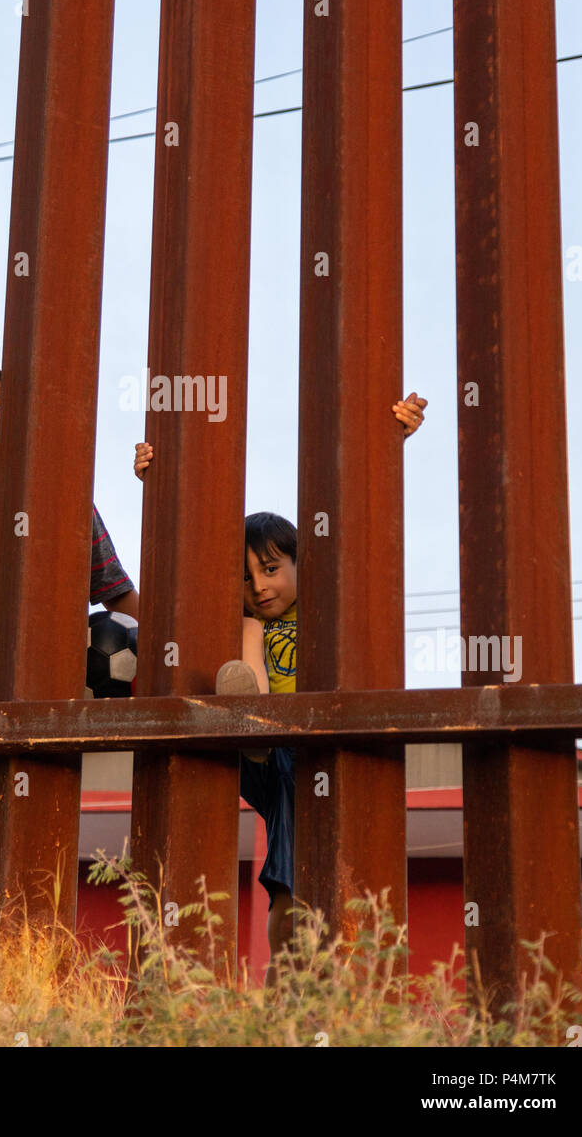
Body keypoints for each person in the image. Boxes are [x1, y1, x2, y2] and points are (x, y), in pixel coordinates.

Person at [133, 391, 427, 970]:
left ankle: (296, 972)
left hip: (304, 750)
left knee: (292, 862)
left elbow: (359, 524)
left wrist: (394, 443)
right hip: (256, 752)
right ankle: (255, 718)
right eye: (245, 578)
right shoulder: (242, 620)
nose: (260, 587)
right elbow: (181, 553)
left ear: (300, 564)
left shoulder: (319, 606)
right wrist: (156, 483)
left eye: (270, 570)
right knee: (243, 649)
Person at [0, 364, 138, 897]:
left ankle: (21, 975)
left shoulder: (62, 505)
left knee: (30, 867)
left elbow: (120, 596)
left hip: (38, 717)